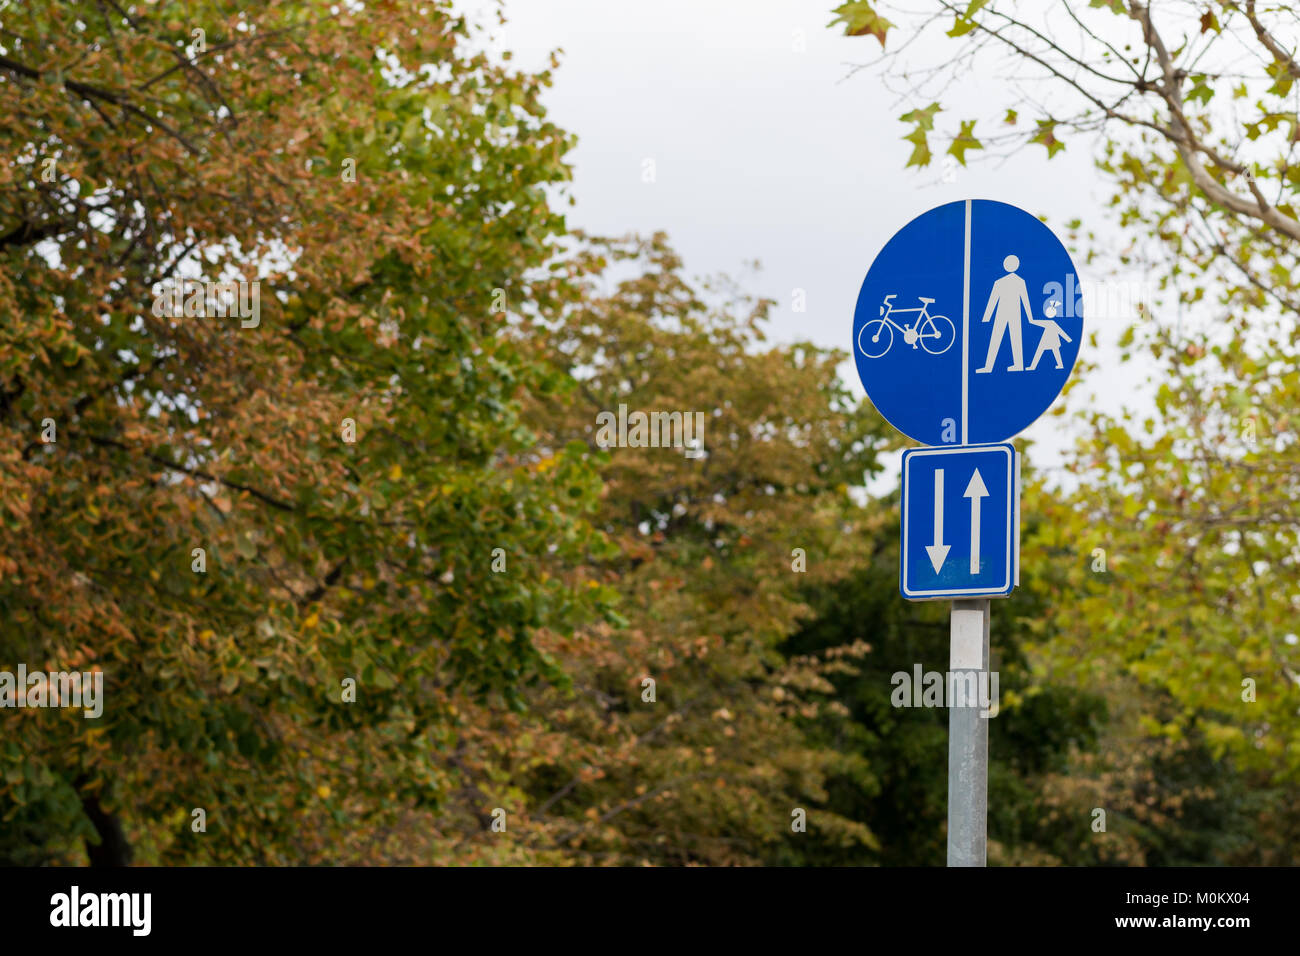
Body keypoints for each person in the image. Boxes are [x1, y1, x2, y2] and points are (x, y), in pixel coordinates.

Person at [976, 254, 1032, 373]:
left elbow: (993, 300)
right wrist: (1030, 317)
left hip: (1005, 313)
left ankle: (991, 366)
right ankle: (1013, 365)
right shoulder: (1017, 281)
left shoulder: (1001, 282)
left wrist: (987, 317)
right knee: (1011, 338)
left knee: (999, 338)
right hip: (1010, 313)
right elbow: (1025, 301)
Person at [1026, 301, 1073, 370]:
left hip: (1047, 340)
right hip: (1051, 340)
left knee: (1040, 352)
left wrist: (1031, 320)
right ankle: (1033, 366)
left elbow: (1060, 331)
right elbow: (1060, 331)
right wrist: (1068, 339)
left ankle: (1033, 366)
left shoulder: (1049, 323)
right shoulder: (1052, 323)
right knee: (1054, 352)